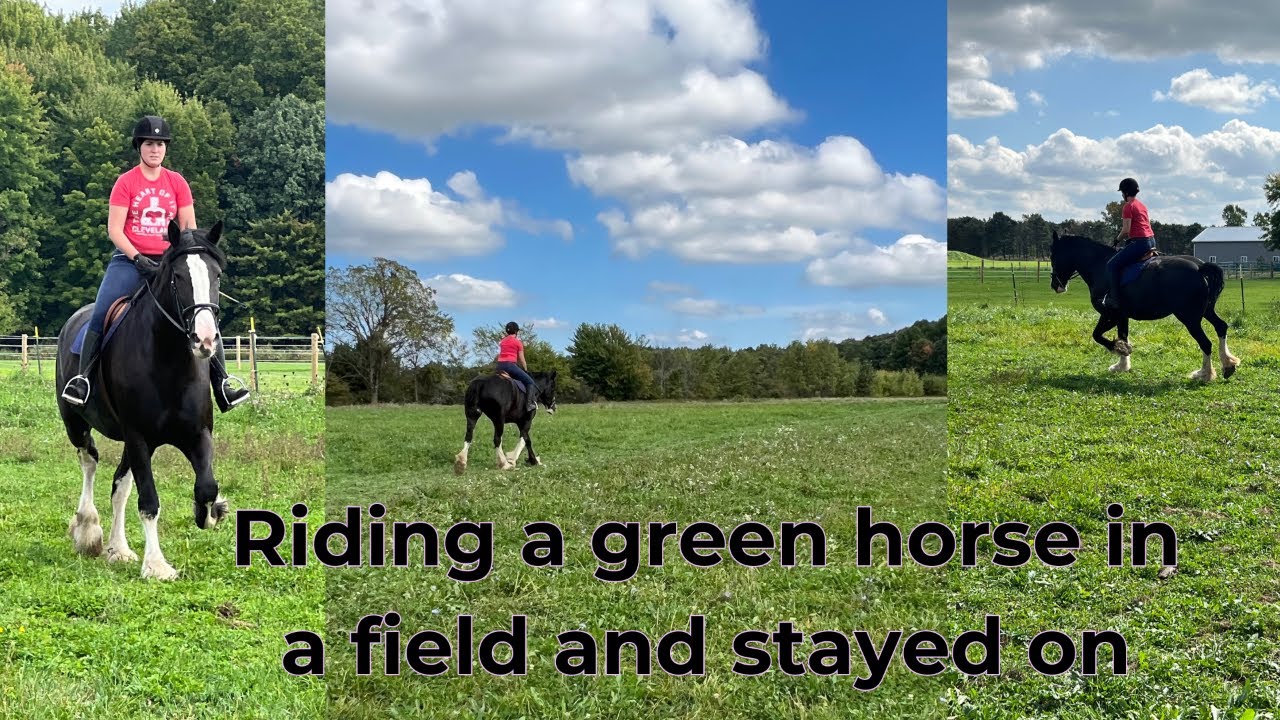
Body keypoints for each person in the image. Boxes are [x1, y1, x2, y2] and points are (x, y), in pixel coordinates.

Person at [61, 115, 250, 412]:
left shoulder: (177, 183)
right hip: (129, 261)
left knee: (203, 312)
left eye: (160, 144)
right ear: (140, 146)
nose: (155, 149)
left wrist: (183, 257)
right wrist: (137, 258)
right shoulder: (126, 183)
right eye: (150, 143)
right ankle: (83, 380)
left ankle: (223, 382)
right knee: (99, 313)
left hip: (171, 262)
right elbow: (114, 230)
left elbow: (188, 227)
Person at [1102, 177, 1156, 310]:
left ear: (1125, 193)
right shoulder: (1141, 205)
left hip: (1140, 243)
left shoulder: (1128, 207)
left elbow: (1126, 230)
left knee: (1111, 265)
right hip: (1151, 240)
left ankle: (1115, 300)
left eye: (1122, 192)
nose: (1122, 195)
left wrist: (1116, 240)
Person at [495, 321, 538, 412]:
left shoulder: (502, 342)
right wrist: (525, 369)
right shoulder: (518, 342)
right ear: (516, 331)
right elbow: (522, 359)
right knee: (530, 382)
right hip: (510, 366)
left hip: (499, 366)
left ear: (507, 331)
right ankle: (529, 404)